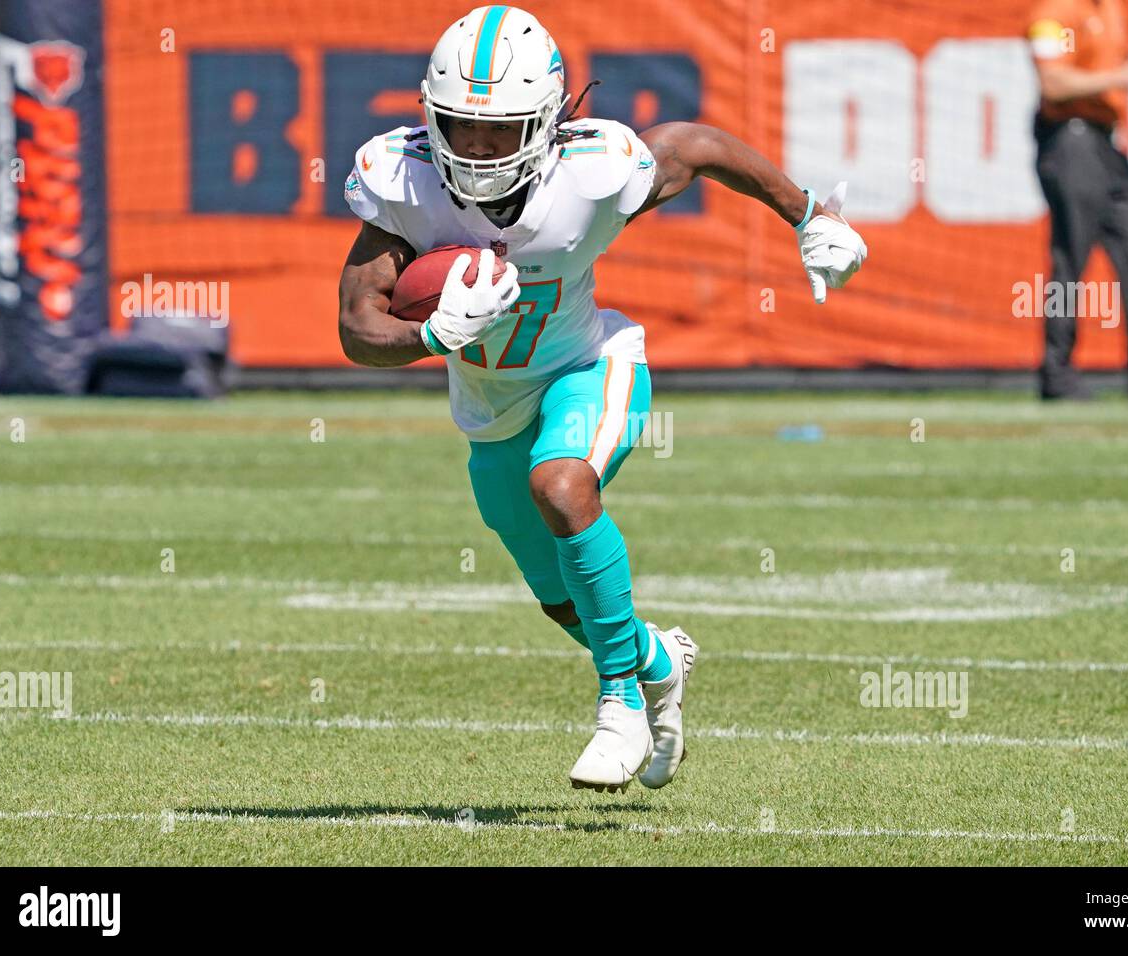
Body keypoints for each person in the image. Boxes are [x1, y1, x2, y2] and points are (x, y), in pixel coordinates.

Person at [337, 5, 866, 792]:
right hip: (491, 408)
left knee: (560, 483)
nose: (479, 150)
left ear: (548, 124)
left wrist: (809, 211)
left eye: (501, 131)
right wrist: (433, 337)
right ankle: (656, 660)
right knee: (564, 605)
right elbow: (355, 326)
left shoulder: (590, 175)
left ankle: (618, 703)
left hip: (591, 362)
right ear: (430, 116)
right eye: (462, 127)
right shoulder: (404, 182)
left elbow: (694, 145)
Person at [1027, 0, 1128, 400]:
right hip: (1069, 140)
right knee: (1071, 258)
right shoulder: (1054, 14)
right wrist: (1125, 74)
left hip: (1105, 144)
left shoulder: (1110, 8)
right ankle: (1058, 375)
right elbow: (1053, 83)